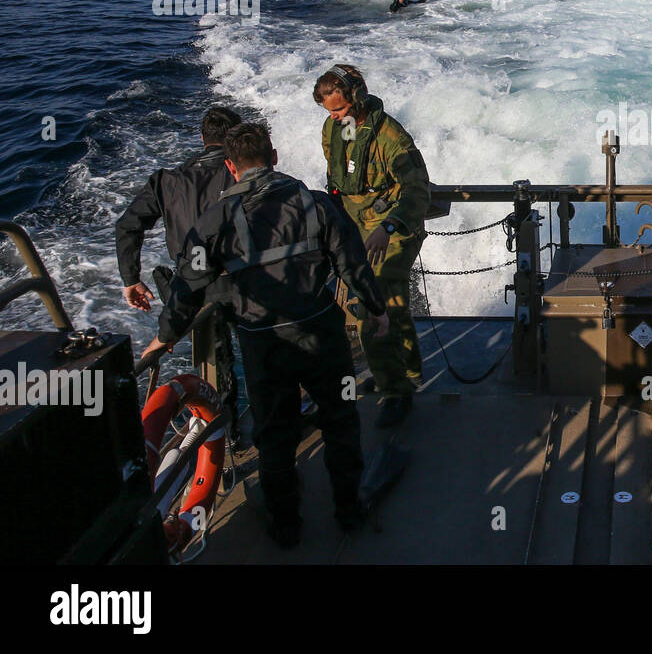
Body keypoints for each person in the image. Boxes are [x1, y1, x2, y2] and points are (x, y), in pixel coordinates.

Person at [148, 123, 388, 548]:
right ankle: (349, 510)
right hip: (323, 337)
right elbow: (353, 263)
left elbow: (188, 283)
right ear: (274, 156)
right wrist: (375, 311)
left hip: (263, 345)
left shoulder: (214, 220)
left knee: (274, 436)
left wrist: (166, 335)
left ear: (230, 166)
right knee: (341, 420)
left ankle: (285, 526)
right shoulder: (317, 205)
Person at [116, 106, 243, 443]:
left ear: (202, 140)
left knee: (215, 364)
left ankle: (225, 441)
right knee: (262, 351)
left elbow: (128, 225)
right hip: (245, 282)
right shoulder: (242, 175)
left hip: (193, 292)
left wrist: (131, 278)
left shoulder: (167, 181)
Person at [313, 64, 430, 428]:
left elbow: (417, 191)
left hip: (394, 227)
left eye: (340, 109)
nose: (335, 117)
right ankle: (407, 371)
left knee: (373, 303)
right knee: (392, 303)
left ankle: (395, 391)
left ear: (358, 98)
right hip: (355, 225)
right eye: (330, 111)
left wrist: (389, 225)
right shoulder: (333, 129)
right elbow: (338, 179)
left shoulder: (392, 138)